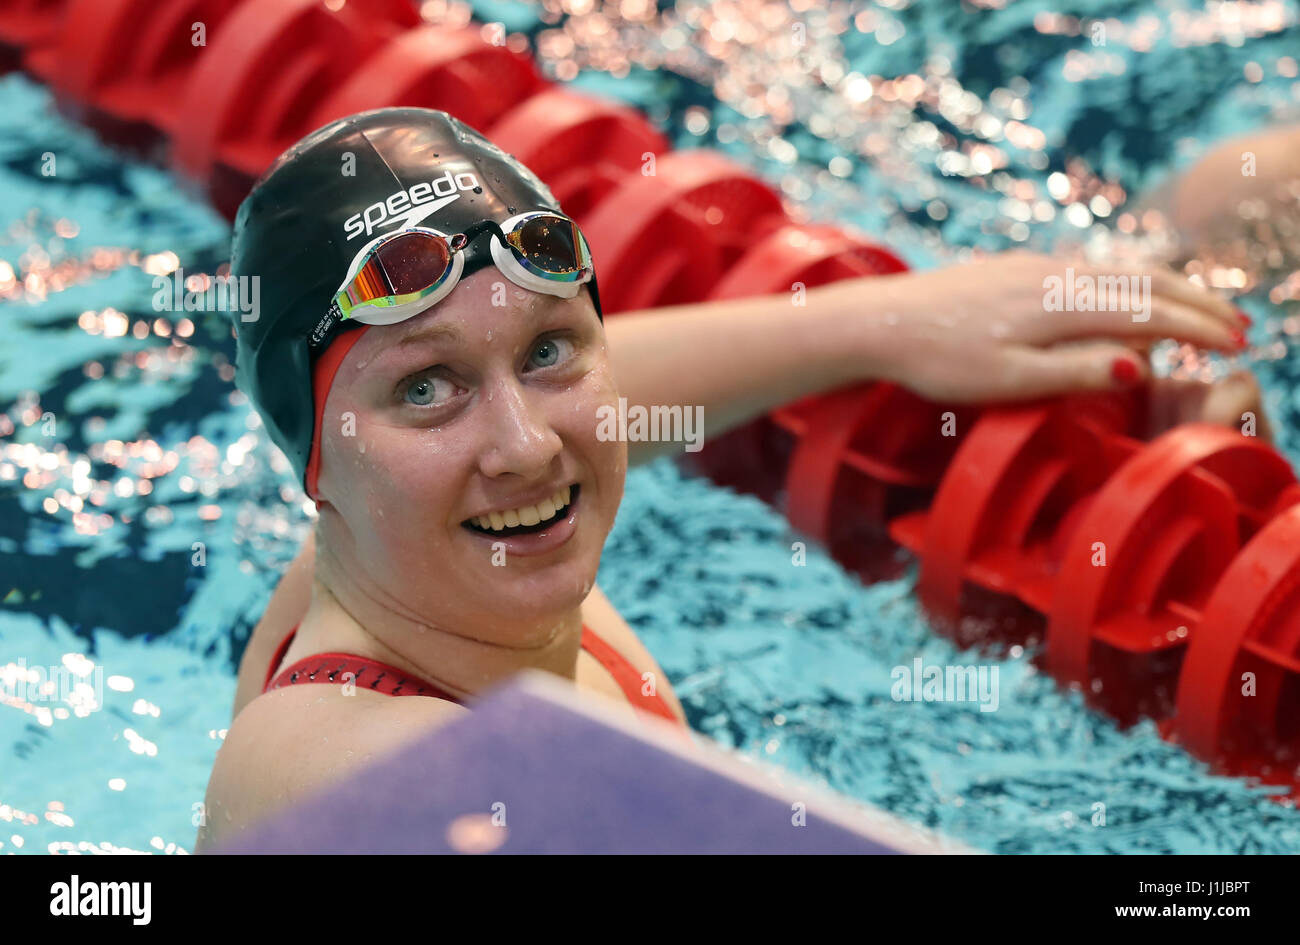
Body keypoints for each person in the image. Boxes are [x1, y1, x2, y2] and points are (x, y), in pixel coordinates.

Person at [195, 106, 1264, 851]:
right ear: (314, 455)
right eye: (425, 390)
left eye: (548, 352)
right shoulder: (336, 770)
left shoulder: (407, 552)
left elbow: (601, 374)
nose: (526, 447)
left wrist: (886, 323)